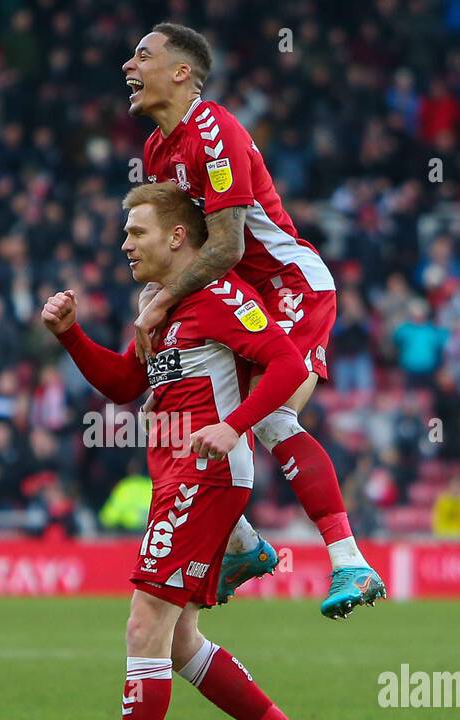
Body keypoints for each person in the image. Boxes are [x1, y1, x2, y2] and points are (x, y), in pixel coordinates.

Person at [43, 182, 333, 720]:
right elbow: (124, 382)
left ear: (177, 237)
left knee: (144, 620)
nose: (125, 244)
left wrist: (234, 426)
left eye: (136, 232)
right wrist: (71, 336)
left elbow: (287, 365)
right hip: (176, 472)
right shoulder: (159, 306)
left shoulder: (222, 296)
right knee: (177, 642)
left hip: (207, 474)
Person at [123, 22, 385, 618]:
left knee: (271, 414)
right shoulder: (157, 152)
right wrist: (158, 313)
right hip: (233, 294)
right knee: (177, 413)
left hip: (287, 284)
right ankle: (242, 544)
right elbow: (181, 247)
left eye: (143, 55)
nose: (128, 66)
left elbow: (228, 244)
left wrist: (162, 302)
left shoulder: (212, 126)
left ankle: (350, 562)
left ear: (182, 72)